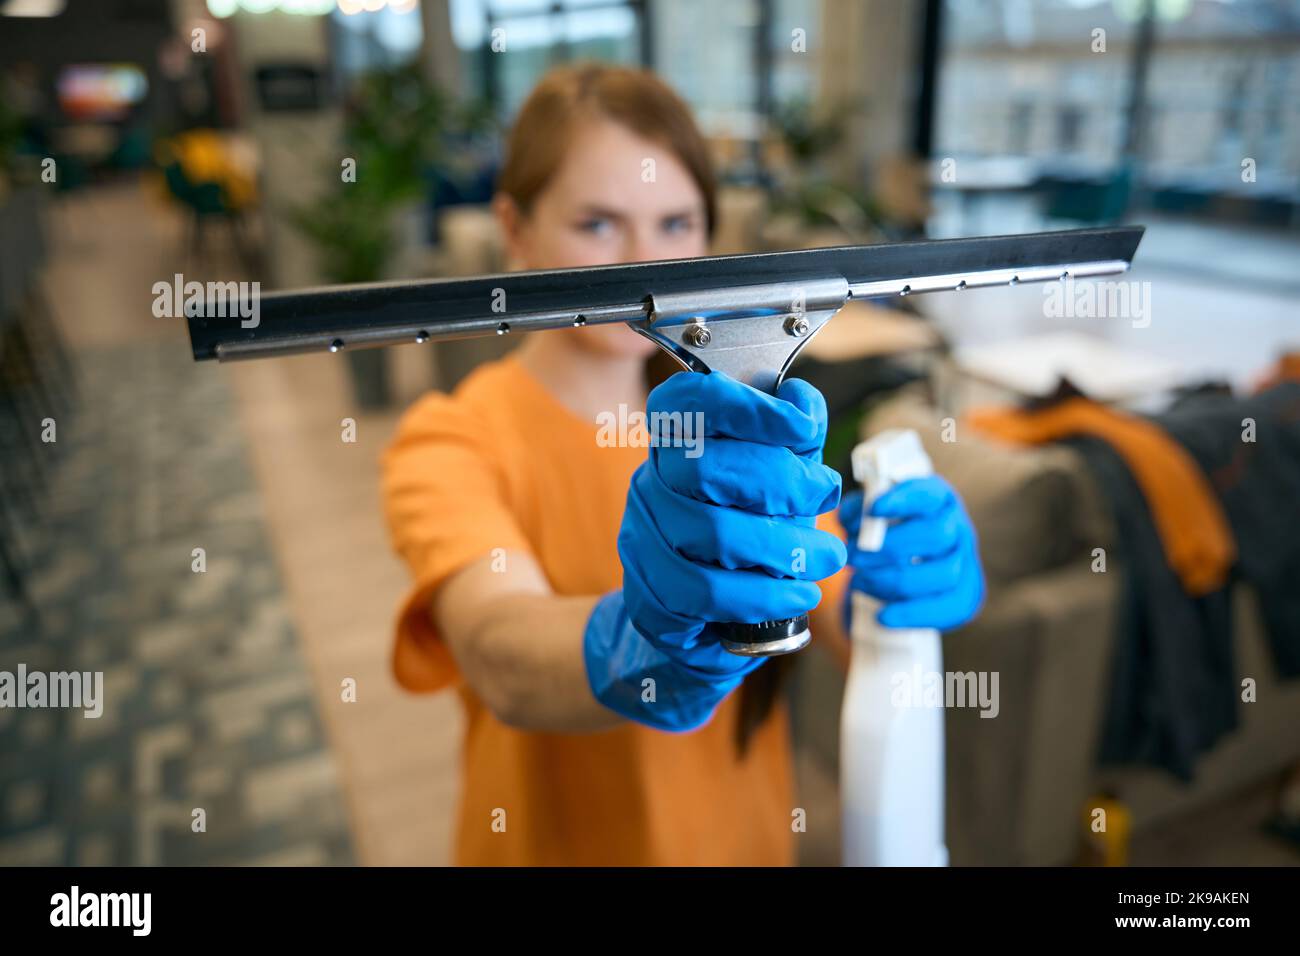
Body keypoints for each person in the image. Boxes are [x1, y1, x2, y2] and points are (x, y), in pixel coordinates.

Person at [381, 63, 984, 866]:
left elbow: (827, 605)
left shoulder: (740, 430)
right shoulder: (451, 439)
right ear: (515, 230)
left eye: (675, 223)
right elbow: (501, 653)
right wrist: (641, 642)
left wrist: (891, 582)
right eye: (597, 224)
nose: (645, 261)